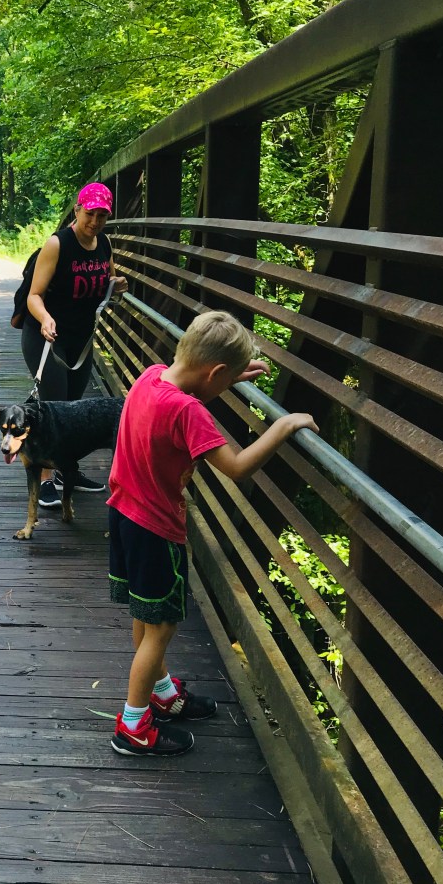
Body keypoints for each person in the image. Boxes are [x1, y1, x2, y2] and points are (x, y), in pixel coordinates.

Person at [106, 311, 319, 756]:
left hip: (123, 514)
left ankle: (160, 691)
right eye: (226, 381)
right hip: (156, 530)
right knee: (161, 627)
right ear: (216, 372)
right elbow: (237, 468)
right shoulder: (188, 409)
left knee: (145, 617)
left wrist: (227, 375)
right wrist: (282, 425)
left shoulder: (152, 377)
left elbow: (184, 408)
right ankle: (132, 726)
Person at [23, 182, 128, 509]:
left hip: (81, 339)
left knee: (74, 408)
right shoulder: (57, 244)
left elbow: (106, 281)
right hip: (46, 336)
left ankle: (69, 472)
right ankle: (44, 481)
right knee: (53, 410)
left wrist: (117, 285)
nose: (95, 221)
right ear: (78, 210)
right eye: (90, 213)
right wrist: (44, 318)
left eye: (102, 216)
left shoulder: (104, 243)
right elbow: (34, 295)